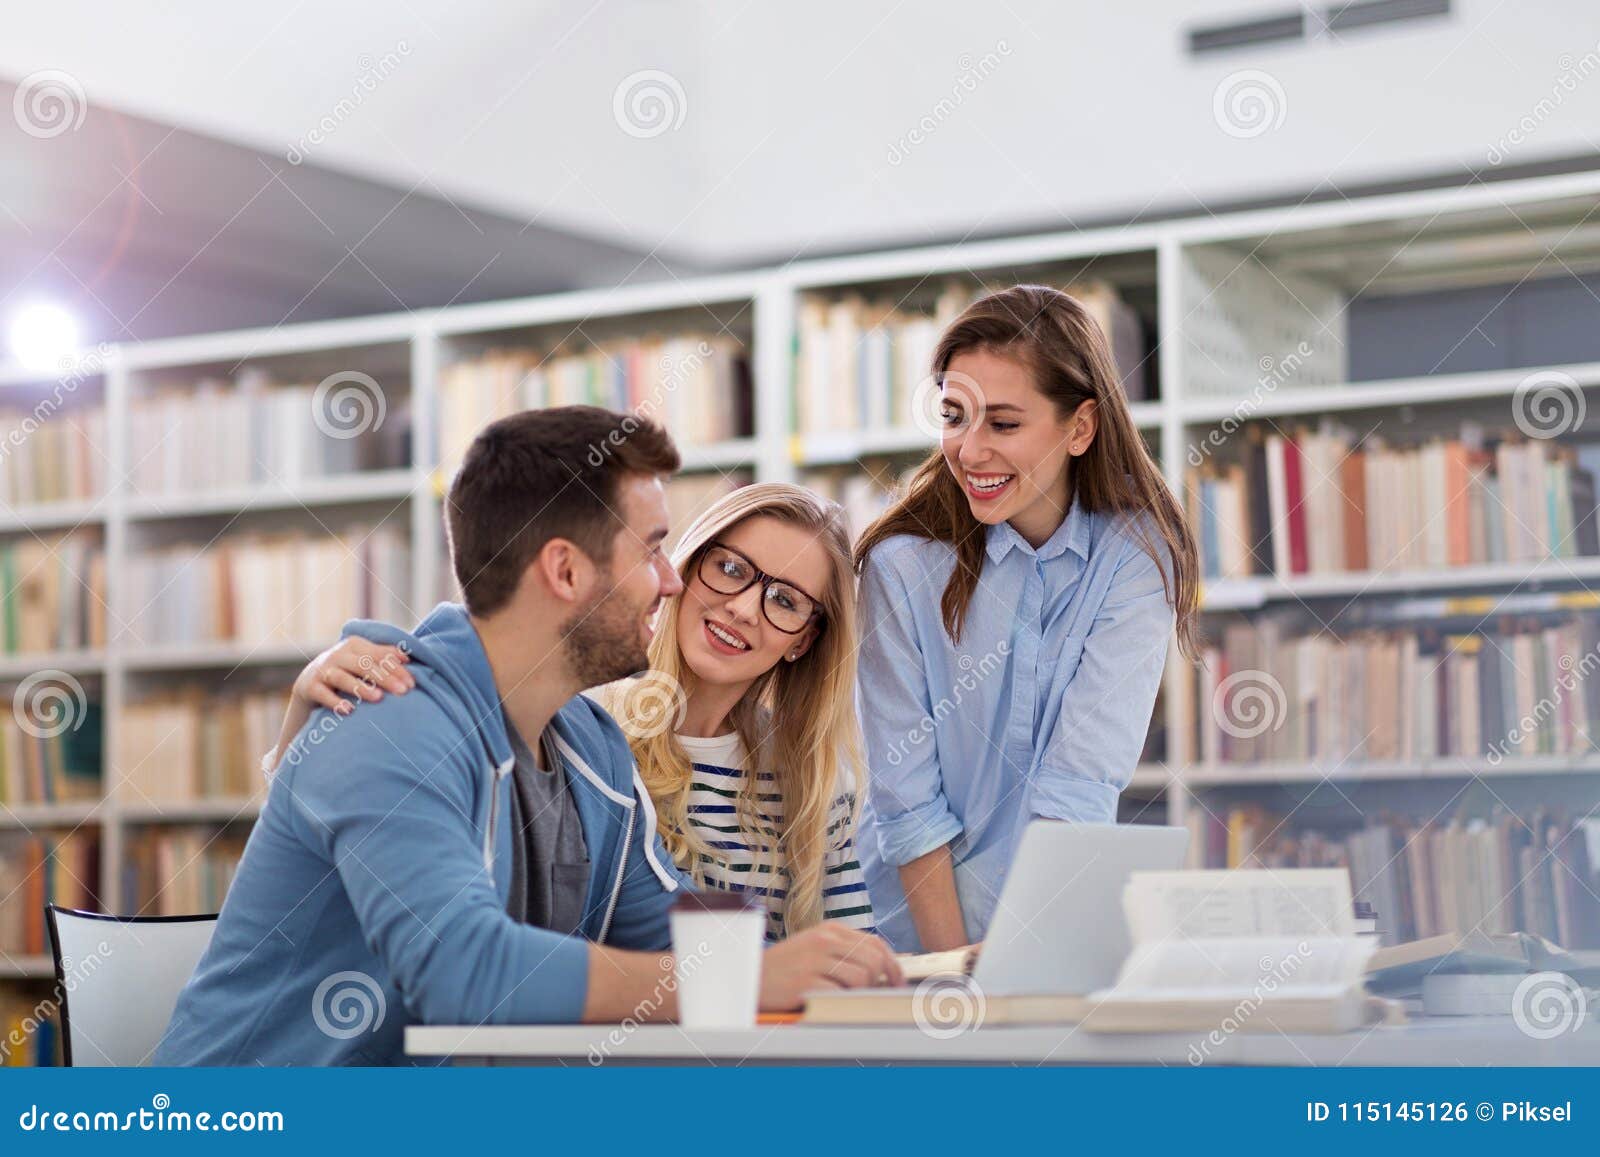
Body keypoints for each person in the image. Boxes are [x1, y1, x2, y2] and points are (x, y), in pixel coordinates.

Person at [156, 406, 899, 1066]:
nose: (672, 582)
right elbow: (466, 971)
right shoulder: (388, 717)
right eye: (651, 550)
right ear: (566, 571)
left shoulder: (594, 751)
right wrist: (749, 977)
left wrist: (838, 978)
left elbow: (673, 931)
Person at [275, 483, 874, 943]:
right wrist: (306, 709)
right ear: (685, 569)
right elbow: (352, 837)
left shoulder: (816, 778)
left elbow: (851, 960)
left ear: (805, 639)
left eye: (785, 601)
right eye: (731, 569)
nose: (744, 608)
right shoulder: (577, 731)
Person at [852, 284, 1201, 952]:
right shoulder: (900, 567)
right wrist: (960, 974)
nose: (969, 450)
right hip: (907, 943)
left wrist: (1023, 961)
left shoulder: (1134, 559)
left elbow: (1081, 779)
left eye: (1003, 424)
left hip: (1046, 930)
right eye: (955, 416)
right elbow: (907, 799)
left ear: (1080, 427)